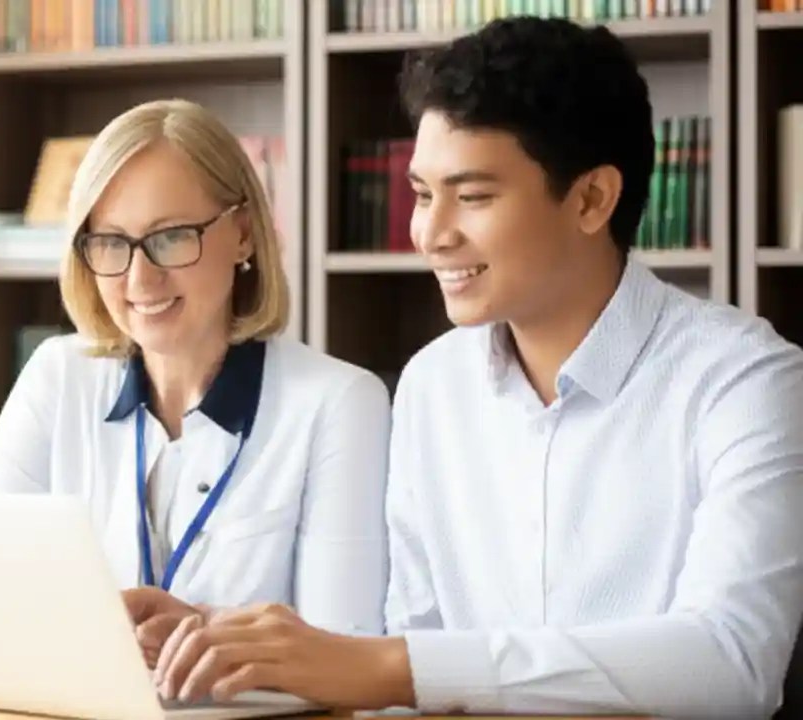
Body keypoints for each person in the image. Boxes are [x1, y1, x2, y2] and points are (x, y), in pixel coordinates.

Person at [151, 16, 803, 719]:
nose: (430, 232)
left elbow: (731, 663)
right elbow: (411, 655)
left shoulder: (745, 381)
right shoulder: (432, 386)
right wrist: (228, 646)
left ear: (591, 199)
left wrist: (396, 668)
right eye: (424, 194)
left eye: (473, 196)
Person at [0, 98, 391, 666]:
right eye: (110, 243)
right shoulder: (59, 375)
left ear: (244, 233)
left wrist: (205, 629)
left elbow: (347, 653)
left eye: (171, 237)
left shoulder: (339, 404)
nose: (139, 278)